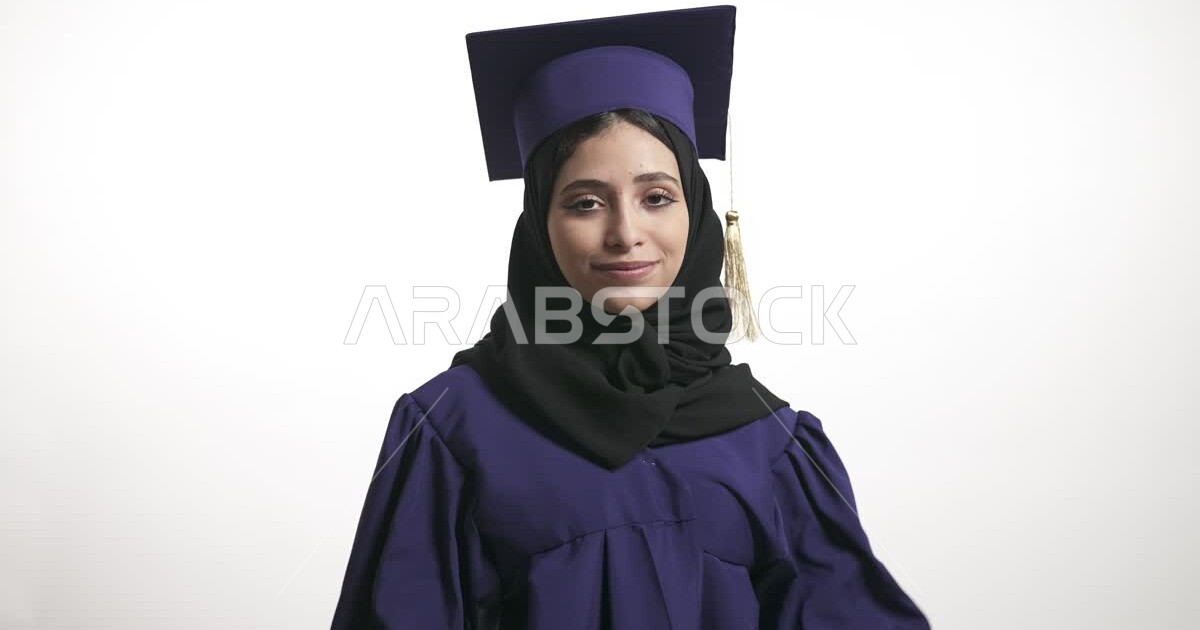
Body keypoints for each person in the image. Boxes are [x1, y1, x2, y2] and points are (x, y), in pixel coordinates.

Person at [330, 6, 931, 629]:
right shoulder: (447, 430)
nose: (625, 233)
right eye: (586, 202)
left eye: (657, 198)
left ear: (694, 212)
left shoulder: (770, 438)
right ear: (539, 223)